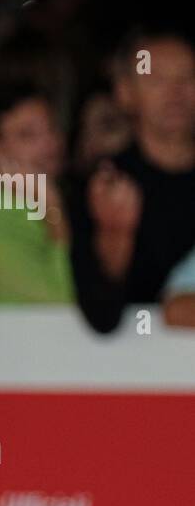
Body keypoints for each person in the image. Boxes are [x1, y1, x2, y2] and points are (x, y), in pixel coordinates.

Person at [68, 29, 195, 333]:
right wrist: (115, 235)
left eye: (188, 78)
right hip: (136, 373)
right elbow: (101, 318)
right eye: (156, 80)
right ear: (125, 92)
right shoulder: (104, 184)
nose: (175, 93)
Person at [0, 83, 74, 302]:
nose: (50, 144)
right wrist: (53, 211)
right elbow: (62, 310)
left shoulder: (73, 198)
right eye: (27, 135)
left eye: (52, 128)